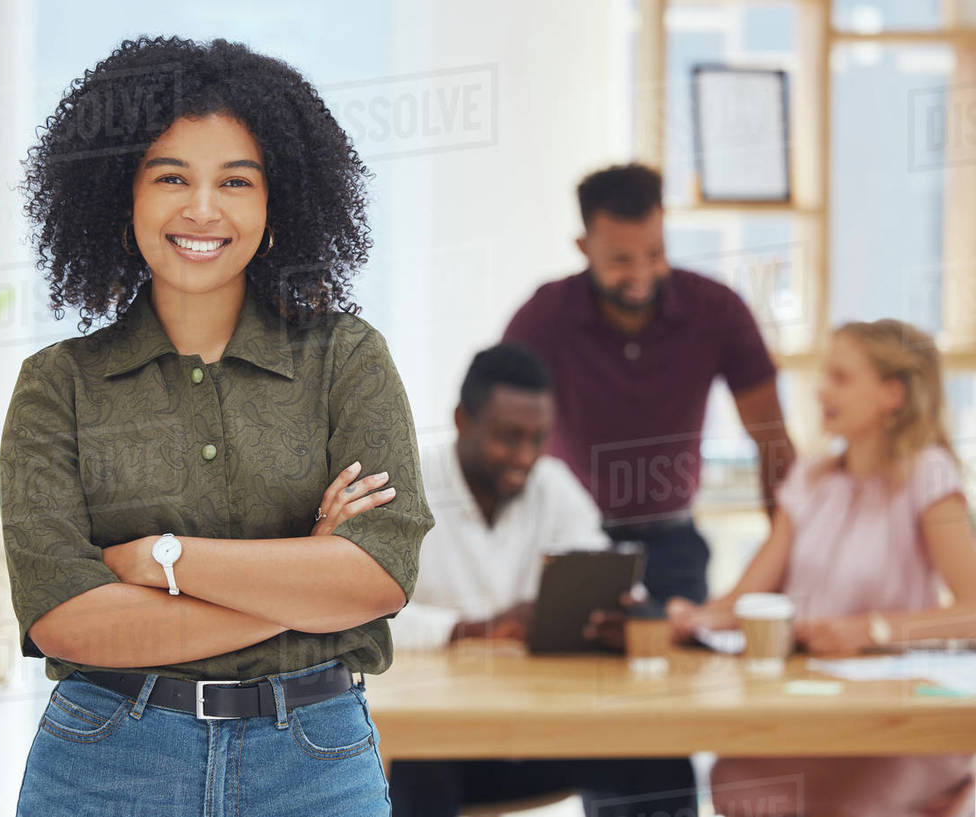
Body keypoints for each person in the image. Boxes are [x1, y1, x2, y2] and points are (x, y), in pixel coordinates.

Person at [0, 36, 434, 817]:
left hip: (314, 762)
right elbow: (67, 621)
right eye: (171, 177)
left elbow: (377, 578)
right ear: (119, 195)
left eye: (236, 181)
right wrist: (306, 575)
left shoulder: (348, 359)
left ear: (278, 204)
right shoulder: (56, 385)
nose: (202, 209)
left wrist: (159, 560)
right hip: (106, 763)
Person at [669, 319, 976, 817]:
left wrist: (870, 631)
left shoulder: (929, 474)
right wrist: (693, 618)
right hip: (806, 707)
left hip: (886, 722)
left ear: (891, 395)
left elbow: (972, 612)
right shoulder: (808, 480)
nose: (820, 391)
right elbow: (745, 600)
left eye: (840, 377)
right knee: (736, 777)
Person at [387, 343, 698, 817]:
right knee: (417, 770)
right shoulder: (406, 488)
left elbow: (602, 569)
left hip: (544, 730)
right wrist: (475, 630)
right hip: (440, 740)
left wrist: (622, 616)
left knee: (658, 754)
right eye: (509, 437)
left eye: (539, 438)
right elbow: (365, 621)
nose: (525, 456)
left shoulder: (552, 485)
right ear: (461, 420)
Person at [503, 162, 796, 607]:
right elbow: (504, 435)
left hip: (674, 543)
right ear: (584, 247)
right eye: (621, 260)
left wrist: (786, 560)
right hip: (573, 541)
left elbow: (771, 437)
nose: (641, 275)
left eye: (655, 253)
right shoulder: (543, 318)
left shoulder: (718, 311)